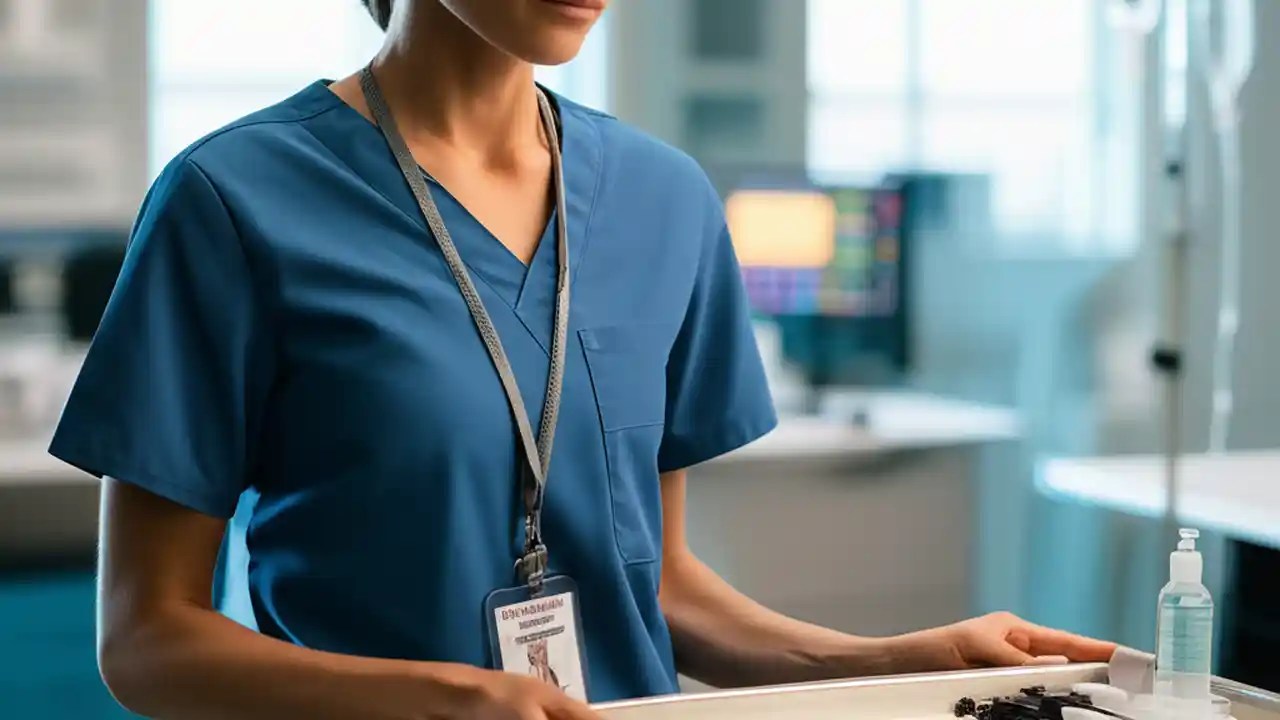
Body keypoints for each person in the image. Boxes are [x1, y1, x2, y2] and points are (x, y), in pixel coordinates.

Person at [49, 1, 1116, 718]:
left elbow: (664, 590)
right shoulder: (234, 202)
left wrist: (900, 663)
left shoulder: (664, 201)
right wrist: (443, 699)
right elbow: (146, 643)